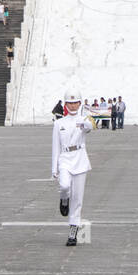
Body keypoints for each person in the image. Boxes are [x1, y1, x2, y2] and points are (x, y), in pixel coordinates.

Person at [51, 89, 94, 246]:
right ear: (66, 104)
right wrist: (53, 168)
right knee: (64, 186)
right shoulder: (59, 123)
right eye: (70, 103)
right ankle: (63, 199)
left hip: (80, 159)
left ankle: (73, 231)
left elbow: (89, 127)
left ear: (80, 103)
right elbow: (55, 146)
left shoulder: (84, 119)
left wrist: (85, 124)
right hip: (65, 159)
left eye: (75, 102)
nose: (73, 105)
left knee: (77, 198)